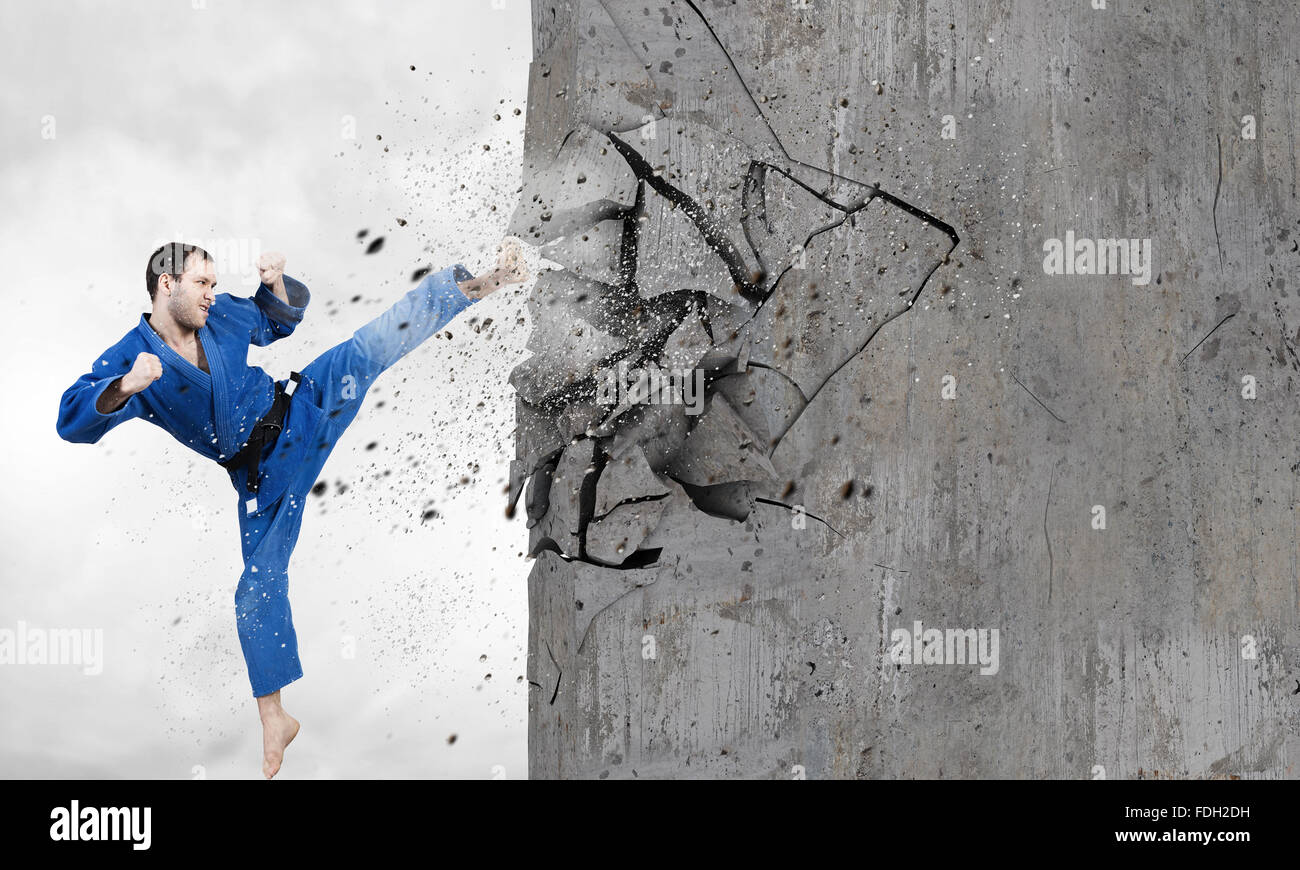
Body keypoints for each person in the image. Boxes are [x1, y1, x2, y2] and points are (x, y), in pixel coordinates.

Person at [55, 240, 529, 778]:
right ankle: (275, 718)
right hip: (265, 478)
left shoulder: (223, 316)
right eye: (203, 284)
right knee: (257, 586)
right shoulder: (131, 358)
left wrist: (276, 284)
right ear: (168, 283)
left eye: (214, 284)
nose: (213, 294)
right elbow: (71, 420)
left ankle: (494, 277)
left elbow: (275, 320)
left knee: (374, 342)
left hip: (306, 402)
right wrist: (126, 385)